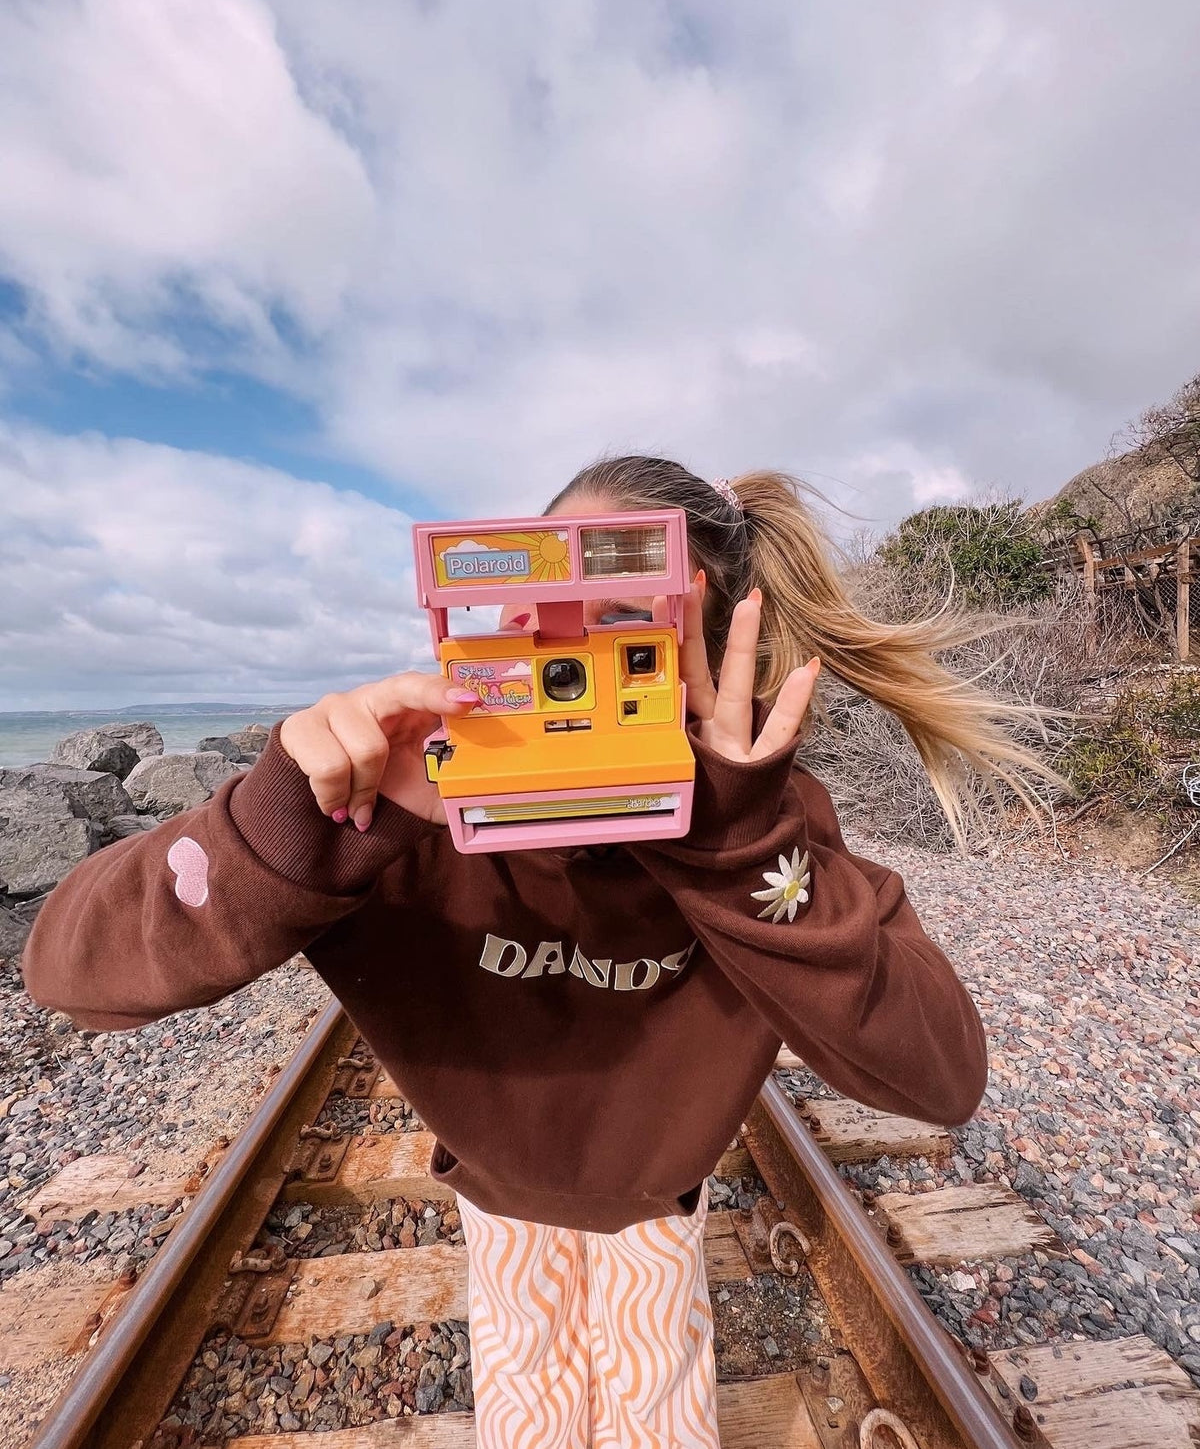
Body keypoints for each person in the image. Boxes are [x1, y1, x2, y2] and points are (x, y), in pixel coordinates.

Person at [23, 456, 1061, 1449]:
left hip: (659, 1203)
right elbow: (68, 968)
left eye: (622, 632)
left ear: (706, 660)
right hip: (497, 1201)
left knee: (659, 1390)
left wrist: (733, 841)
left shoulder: (766, 834)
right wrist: (290, 825)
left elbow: (941, 1069)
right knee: (527, 1388)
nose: (559, 668)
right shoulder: (404, 813)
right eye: (527, 621)